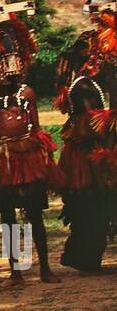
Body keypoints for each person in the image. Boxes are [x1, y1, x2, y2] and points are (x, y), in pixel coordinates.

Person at [0, 17, 59, 284]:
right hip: (0, 161)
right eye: (2, 64)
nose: (8, 70)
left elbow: (37, 128)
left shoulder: (26, 93)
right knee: (7, 216)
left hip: (26, 157)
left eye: (12, 62)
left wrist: (43, 156)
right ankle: (15, 270)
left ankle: (45, 268)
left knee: (35, 213)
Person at [54, 19, 115, 274]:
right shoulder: (85, 86)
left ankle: (87, 256)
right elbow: (94, 122)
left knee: (97, 204)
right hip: (85, 154)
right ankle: (85, 257)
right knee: (91, 204)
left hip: (92, 150)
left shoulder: (96, 83)